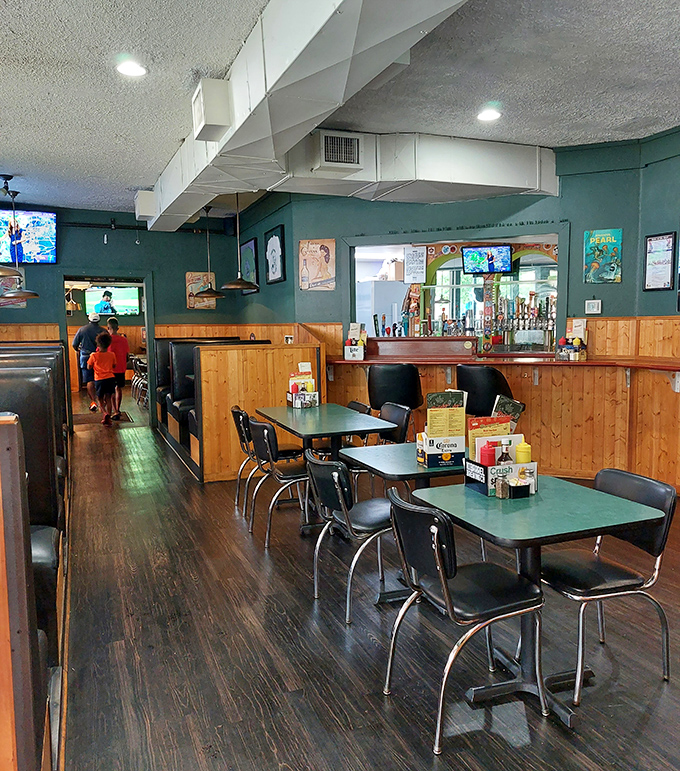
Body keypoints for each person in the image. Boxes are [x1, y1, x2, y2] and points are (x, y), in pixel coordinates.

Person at [72, 312, 105, 411]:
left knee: (89, 380)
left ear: (89, 319)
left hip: (86, 357)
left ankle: (93, 401)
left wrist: (79, 350)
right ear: (99, 320)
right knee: (100, 379)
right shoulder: (103, 331)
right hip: (101, 357)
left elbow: (74, 344)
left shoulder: (82, 330)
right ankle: (101, 401)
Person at [87, 332, 117, 426]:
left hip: (99, 379)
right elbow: (114, 365)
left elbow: (88, 367)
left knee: (99, 398)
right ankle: (109, 414)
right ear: (108, 344)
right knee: (108, 398)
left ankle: (105, 414)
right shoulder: (112, 354)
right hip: (110, 378)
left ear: (98, 344)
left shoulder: (94, 355)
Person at [106, 317, 130, 420]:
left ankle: (114, 410)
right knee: (118, 388)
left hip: (110, 368)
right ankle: (117, 410)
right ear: (118, 328)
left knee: (111, 390)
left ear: (108, 328)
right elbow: (127, 355)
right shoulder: (123, 340)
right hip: (121, 368)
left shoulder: (106, 340)